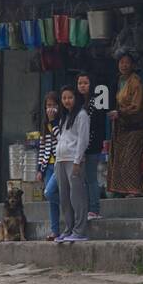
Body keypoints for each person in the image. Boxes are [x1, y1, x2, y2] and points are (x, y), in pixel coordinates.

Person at [107, 52, 143, 196]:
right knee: (119, 157)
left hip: (137, 125)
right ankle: (122, 190)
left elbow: (136, 106)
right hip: (123, 125)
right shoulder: (119, 80)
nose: (124, 65)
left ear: (133, 65)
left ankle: (135, 190)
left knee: (130, 159)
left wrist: (121, 113)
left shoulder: (135, 81)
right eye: (121, 62)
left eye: (127, 62)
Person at [54, 85, 90, 243]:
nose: (67, 101)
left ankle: (80, 230)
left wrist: (77, 160)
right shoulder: (64, 117)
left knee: (77, 196)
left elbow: (83, 139)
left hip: (74, 160)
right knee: (64, 198)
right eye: (64, 98)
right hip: (60, 160)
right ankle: (68, 229)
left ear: (75, 99)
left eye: (69, 97)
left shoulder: (82, 115)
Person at [77, 71, 106, 220]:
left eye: (85, 83)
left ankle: (94, 208)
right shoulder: (78, 103)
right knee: (83, 179)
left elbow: (98, 124)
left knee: (91, 177)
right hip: (79, 148)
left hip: (92, 145)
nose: (82, 86)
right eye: (80, 83)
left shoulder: (96, 102)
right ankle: (87, 208)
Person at [36, 91, 63, 241]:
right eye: (48, 106)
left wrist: (53, 122)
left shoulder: (59, 122)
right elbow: (43, 147)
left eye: (53, 105)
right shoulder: (44, 124)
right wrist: (40, 169)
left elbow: (60, 140)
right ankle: (55, 231)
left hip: (60, 164)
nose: (50, 109)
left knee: (49, 192)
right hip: (48, 167)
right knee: (51, 201)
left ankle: (69, 207)